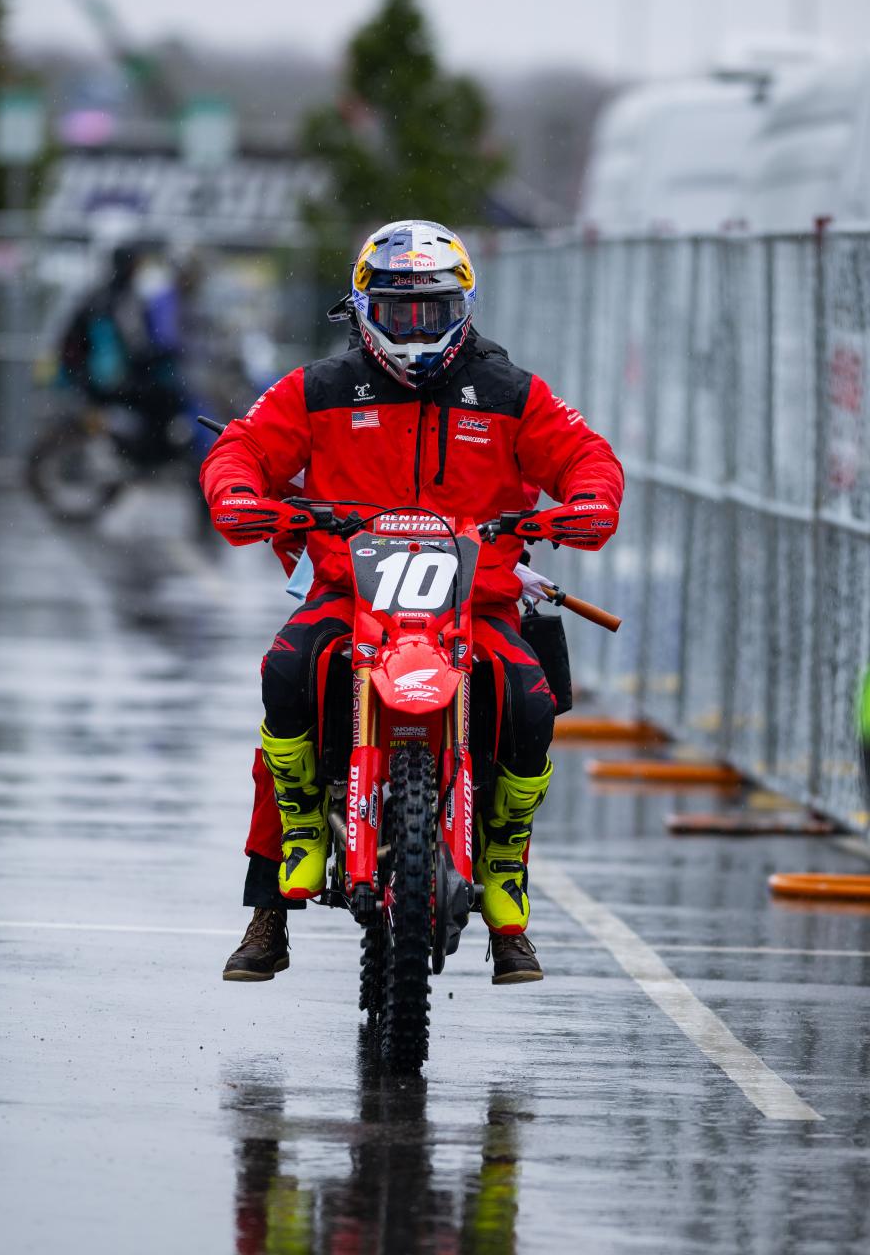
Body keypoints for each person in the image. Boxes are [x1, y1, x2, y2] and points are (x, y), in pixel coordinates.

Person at [201, 220, 623, 985]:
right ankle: (279, 884)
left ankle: (505, 871)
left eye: (434, 311)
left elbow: (585, 455)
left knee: (531, 703)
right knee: (286, 672)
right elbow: (244, 447)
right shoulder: (319, 388)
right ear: (364, 310)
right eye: (400, 313)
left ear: (465, 308)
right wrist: (236, 490)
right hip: (348, 594)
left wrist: (589, 500)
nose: (418, 329)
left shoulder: (512, 392)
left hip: (478, 605)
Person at [59, 243, 190, 462]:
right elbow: (133, 349)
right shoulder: (122, 299)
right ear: (130, 266)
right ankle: (148, 459)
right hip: (110, 381)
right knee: (168, 398)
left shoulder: (96, 296)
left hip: (87, 379)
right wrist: (162, 354)